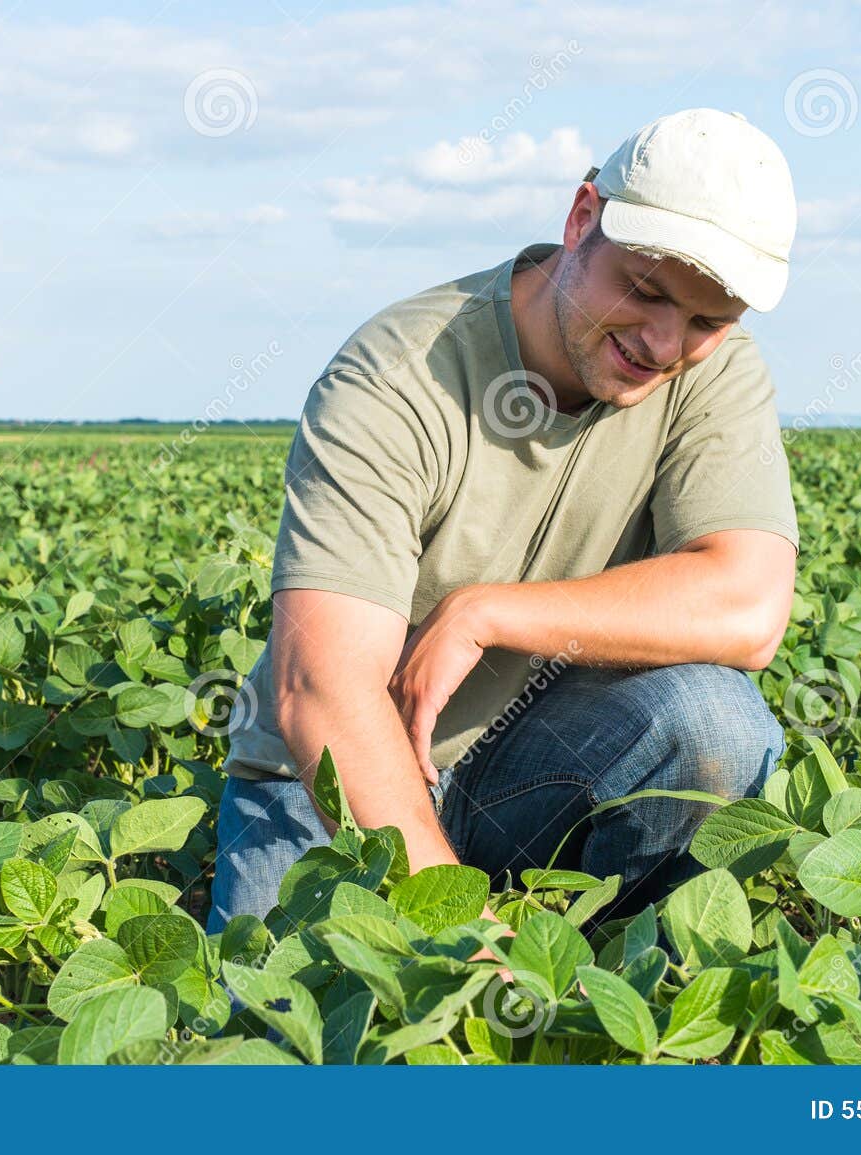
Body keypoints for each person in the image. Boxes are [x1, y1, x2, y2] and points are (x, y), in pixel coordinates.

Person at [208, 108, 800, 933]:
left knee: (716, 724)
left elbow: (747, 604)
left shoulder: (715, 372)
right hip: (335, 778)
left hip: (533, 764)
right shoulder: (397, 375)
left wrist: (488, 612)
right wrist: (456, 930)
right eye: (647, 290)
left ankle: (601, 984)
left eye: (706, 321)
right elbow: (325, 690)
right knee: (285, 1037)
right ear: (582, 217)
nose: (665, 344)